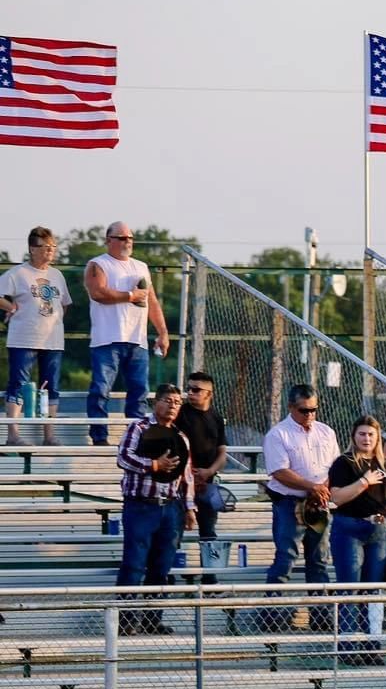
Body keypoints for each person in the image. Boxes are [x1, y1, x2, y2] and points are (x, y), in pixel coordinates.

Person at [115, 384, 195, 635]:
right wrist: (154, 465)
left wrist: (190, 507)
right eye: (168, 400)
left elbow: (187, 475)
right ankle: (125, 621)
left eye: (177, 402)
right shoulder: (138, 428)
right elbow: (123, 457)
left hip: (170, 507)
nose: (173, 405)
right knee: (134, 564)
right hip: (141, 505)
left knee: (161, 567)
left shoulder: (181, 436)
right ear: (156, 402)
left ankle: (152, 620)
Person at [328, 416, 386, 663]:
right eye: (362, 434)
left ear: (378, 437)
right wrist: (364, 482)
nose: (367, 439)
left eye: (371, 434)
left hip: (379, 531)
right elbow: (336, 498)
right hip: (349, 528)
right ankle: (348, 645)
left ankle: (372, 643)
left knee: (373, 590)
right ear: (354, 436)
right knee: (350, 588)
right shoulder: (343, 463)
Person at [83, 224, 167, 446]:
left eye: (130, 237)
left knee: (139, 392)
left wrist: (162, 332)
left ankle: (137, 439)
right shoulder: (98, 264)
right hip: (107, 338)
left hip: (137, 339)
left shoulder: (141, 266)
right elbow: (97, 292)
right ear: (108, 240)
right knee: (101, 390)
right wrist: (130, 295)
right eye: (121, 237)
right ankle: (99, 437)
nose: (126, 241)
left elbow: (152, 301)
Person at [262, 383, 338, 592]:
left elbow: (335, 466)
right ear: (291, 407)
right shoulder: (278, 434)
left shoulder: (326, 432)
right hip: (289, 502)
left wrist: (322, 489)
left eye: (313, 410)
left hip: (319, 503)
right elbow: (279, 471)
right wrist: (313, 486)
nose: (310, 415)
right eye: (304, 410)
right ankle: (274, 616)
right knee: (286, 557)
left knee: (319, 559)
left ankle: (320, 616)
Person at [0, 227, 70, 446]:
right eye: (45, 247)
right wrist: (11, 306)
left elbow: (64, 304)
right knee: (18, 383)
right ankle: (13, 434)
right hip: (24, 338)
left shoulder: (57, 275)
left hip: (53, 340)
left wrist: (52, 320)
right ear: (32, 248)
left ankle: (49, 435)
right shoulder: (17, 273)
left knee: (51, 387)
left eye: (53, 247)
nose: (50, 251)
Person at [174, 369, 229, 569]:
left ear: (209, 393)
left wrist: (209, 472)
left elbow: (222, 453)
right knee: (174, 532)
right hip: (180, 484)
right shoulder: (180, 414)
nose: (190, 393)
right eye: (188, 389)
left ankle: (210, 578)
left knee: (208, 533)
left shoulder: (216, 417)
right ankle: (168, 578)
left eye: (196, 389)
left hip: (206, 484)